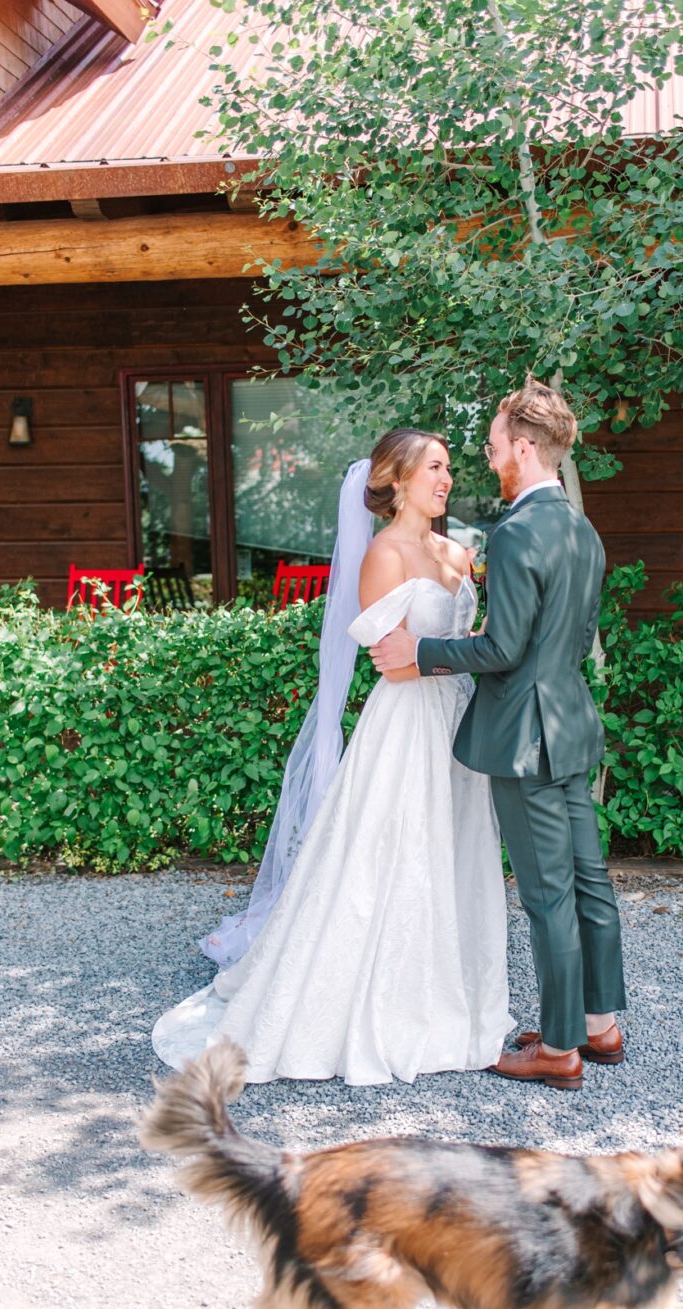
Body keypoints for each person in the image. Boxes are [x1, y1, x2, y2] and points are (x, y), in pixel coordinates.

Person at [152, 430, 511, 1086]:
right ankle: (383, 998)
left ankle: (447, 989)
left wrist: (463, 653)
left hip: (459, 723)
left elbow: (464, 644)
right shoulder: (384, 554)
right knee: (394, 856)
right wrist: (453, 654)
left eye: (450, 468)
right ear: (397, 479)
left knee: (453, 851)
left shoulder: (460, 555)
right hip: (406, 728)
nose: (447, 479)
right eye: (434, 467)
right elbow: (393, 667)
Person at [370, 379, 628, 1090]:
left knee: (548, 894)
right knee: (588, 882)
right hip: (571, 724)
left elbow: (504, 648)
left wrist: (421, 654)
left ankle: (558, 1049)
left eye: (490, 447)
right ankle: (601, 1024)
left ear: (523, 447)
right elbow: (567, 638)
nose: (487, 461)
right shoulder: (581, 529)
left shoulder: (518, 532)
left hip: (527, 735)